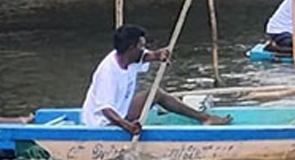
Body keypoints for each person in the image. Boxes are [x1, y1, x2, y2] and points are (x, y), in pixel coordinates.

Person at [81, 25, 231, 132]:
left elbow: (146, 56)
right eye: (141, 46)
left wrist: (158, 55)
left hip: (121, 111)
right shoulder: (108, 72)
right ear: (131, 49)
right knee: (149, 97)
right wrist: (127, 126)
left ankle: (205, 118)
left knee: (156, 93)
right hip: (103, 123)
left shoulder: (129, 59)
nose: (144, 49)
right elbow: (106, 110)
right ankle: (204, 119)